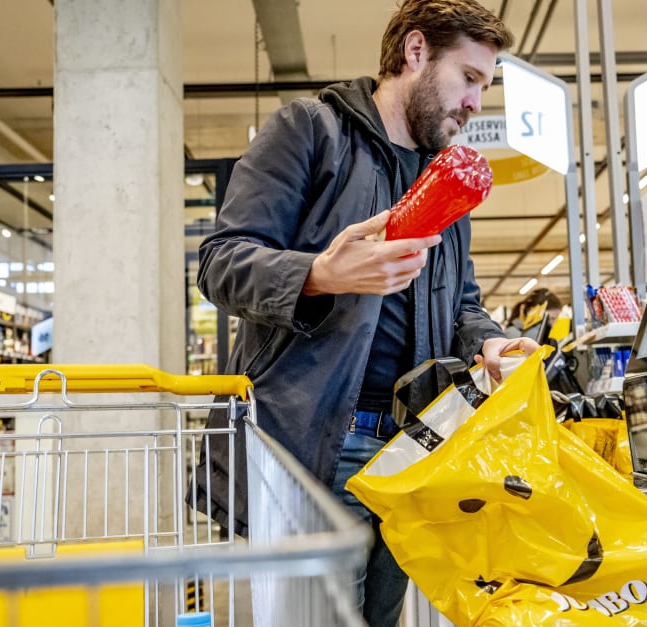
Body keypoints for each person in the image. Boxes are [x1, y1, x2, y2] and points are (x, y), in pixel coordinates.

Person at [195, 1, 532, 624]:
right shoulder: (311, 131)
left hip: (412, 452)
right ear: (415, 52)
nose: (477, 103)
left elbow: (460, 302)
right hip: (319, 441)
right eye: (470, 79)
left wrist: (492, 343)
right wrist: (319, 273)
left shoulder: (442, 178)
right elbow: (219, 262)